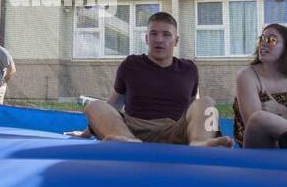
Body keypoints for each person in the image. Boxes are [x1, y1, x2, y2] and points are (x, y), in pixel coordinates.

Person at [82, 12, 231, 146]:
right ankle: (128, 144)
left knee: (207, 102)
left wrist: (208, 130)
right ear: (147, 38)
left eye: (166, 34)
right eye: (153, 34)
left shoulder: (189, 69)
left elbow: (195, 108)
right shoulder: (130, 65)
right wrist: (89, 131)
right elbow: (113, 104)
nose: (159, 40)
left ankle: (200, 143)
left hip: (174, 131)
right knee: (94, 106)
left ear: (176, 40)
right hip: (132, 130)